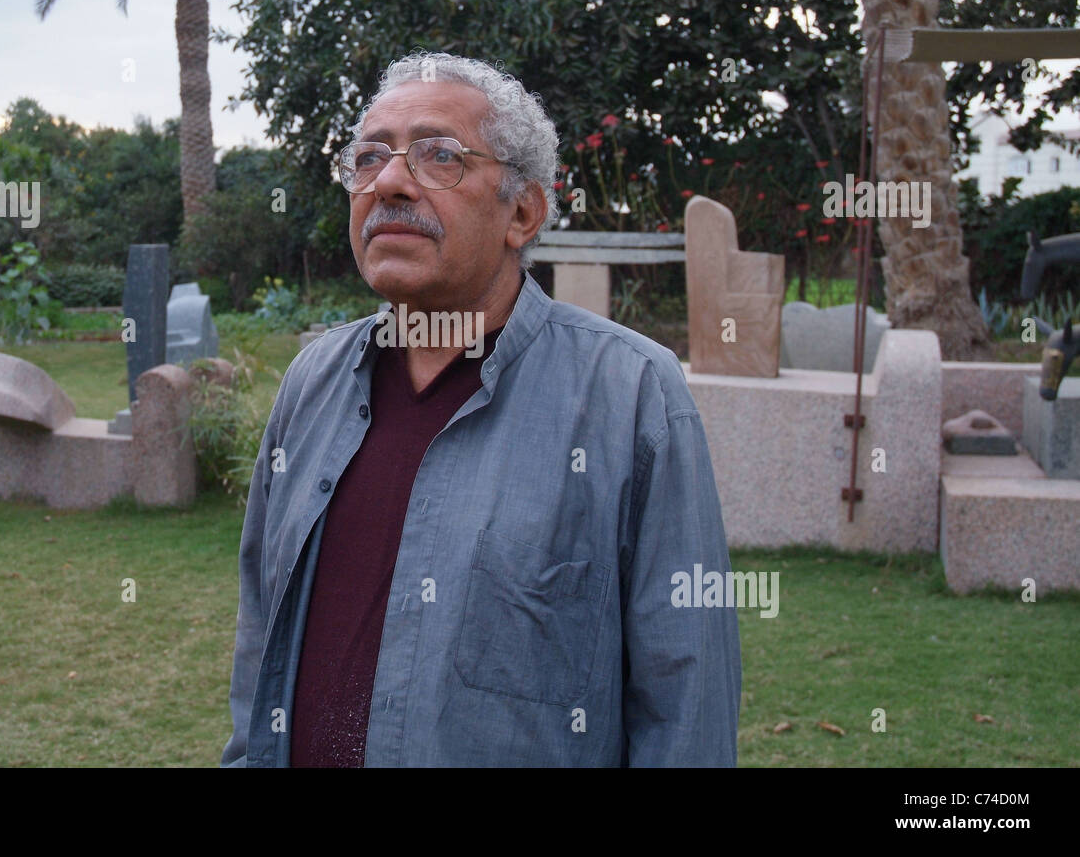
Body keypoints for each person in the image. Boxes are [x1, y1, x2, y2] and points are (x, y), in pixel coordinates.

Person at [221, 50, 741, 767]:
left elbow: (689, 714)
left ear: (522, 212)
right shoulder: (312, 383)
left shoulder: (631, 400)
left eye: (439, 156)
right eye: (368, 157)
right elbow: (261, 638)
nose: (390, 181)